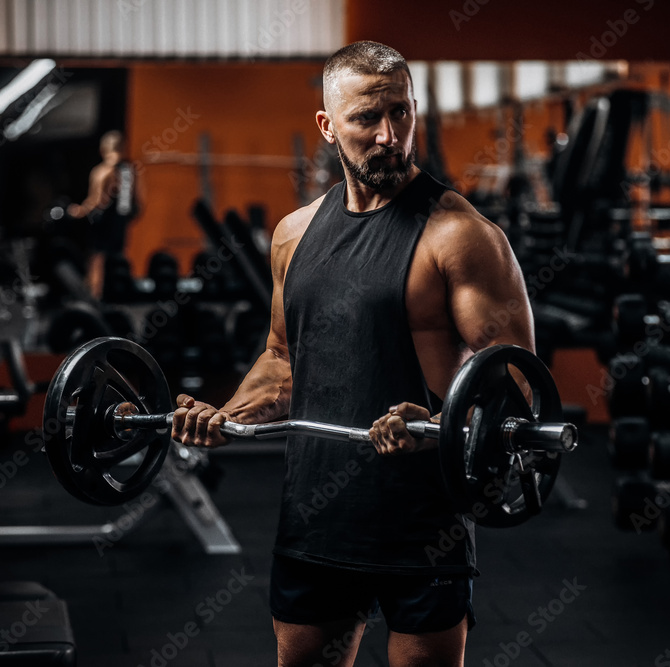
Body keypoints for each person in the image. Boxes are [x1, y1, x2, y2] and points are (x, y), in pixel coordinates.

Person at [171, 41, 534, 666]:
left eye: (401, 113)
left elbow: (516, 389)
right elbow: (282, 358)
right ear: (328, 126)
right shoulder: (294, 233)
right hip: (317, 512)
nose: (389, 136)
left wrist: (434, 427)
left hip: (423, 521)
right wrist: (227, 415)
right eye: (367, 118)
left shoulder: (461, 235)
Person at [67, 130, 138, 299]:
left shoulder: (103, 171)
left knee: (96, 259)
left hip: (102, 221)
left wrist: (78, 212)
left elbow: (96, 201)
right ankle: (117, 295)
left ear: (103, 149)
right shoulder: (130, 171)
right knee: (118, 258)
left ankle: (94, 296)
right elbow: (140, 201)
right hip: (120, 221)